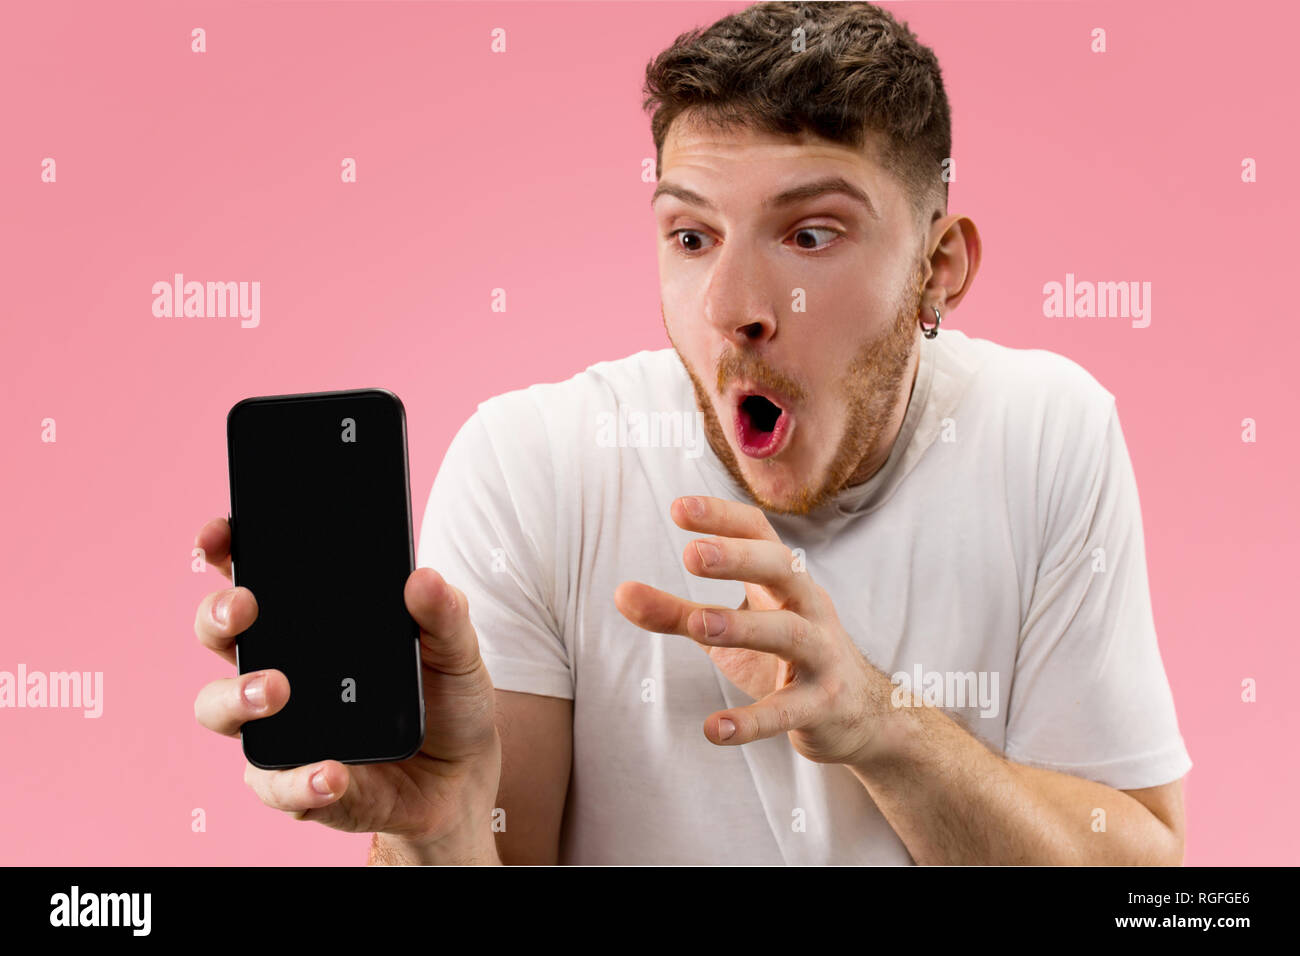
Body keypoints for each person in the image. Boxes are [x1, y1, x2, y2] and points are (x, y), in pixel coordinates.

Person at [192, 1, 1190, 865]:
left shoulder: (1045, 432)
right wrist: (437, 829)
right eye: (690, 235)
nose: (734, 307)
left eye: (810, 234)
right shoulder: (532, 465)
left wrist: (878, 725)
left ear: (939, 268)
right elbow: (485, 847)